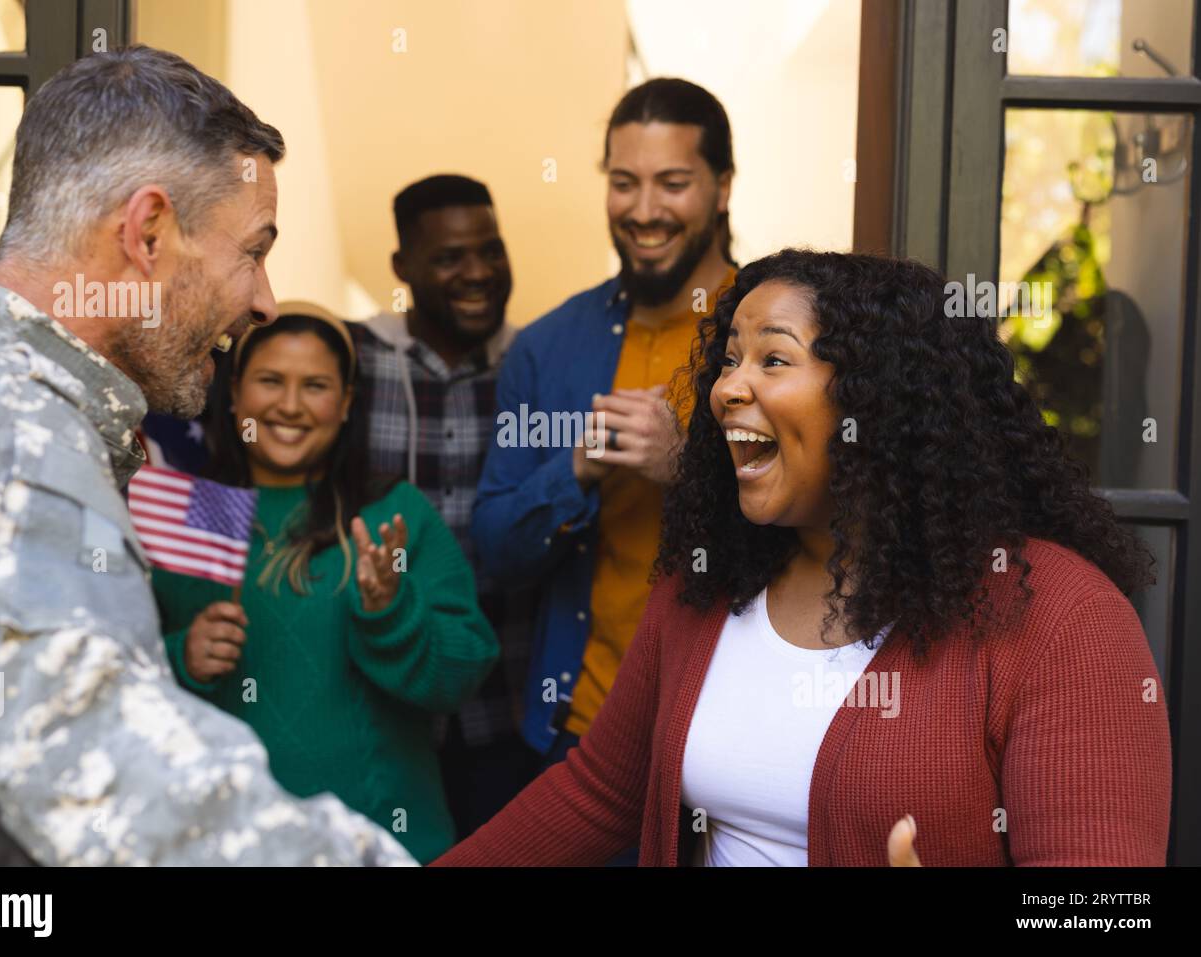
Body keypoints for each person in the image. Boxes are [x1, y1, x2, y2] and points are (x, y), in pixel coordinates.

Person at [435, 249, 1172, 867]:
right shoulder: (706, 580)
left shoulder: (1061, 618)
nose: (727, 387)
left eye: (773, 359)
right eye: (728, 360)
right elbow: (597, 793)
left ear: (875, 400)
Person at [0, 46, 413, 866]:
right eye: (253, 250)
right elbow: (121, 790)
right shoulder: (6, 437)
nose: (264, 300)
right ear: (147, 233)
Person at [153, 307, 499, 863]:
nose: (290, 405)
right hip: (231, 846)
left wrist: (392, 610)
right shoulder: (194, 516)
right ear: (236, 394)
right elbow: (117, 672)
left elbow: (462, 675)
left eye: (315, 386)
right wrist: (182, 656)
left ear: (344, 404)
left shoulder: (392, 514)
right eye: (270, 381)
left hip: (383, 843)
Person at [473, 78, 737, 765]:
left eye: (673, 183)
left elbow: (835, 532)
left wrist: (686, 469)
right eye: (624, 183)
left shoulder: (780, 331)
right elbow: (497, 547)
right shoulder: (546, 347)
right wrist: (576, 469)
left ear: (723, 187)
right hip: (579, 736)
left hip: (731, 739)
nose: (644, 210)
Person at [349, 174, 537, 838]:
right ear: (402, 267)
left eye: (491, 249)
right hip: (382, 707)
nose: (478, 271)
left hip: (510, 709)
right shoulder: (353, 359)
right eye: (451, 256)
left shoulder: (536, 364)